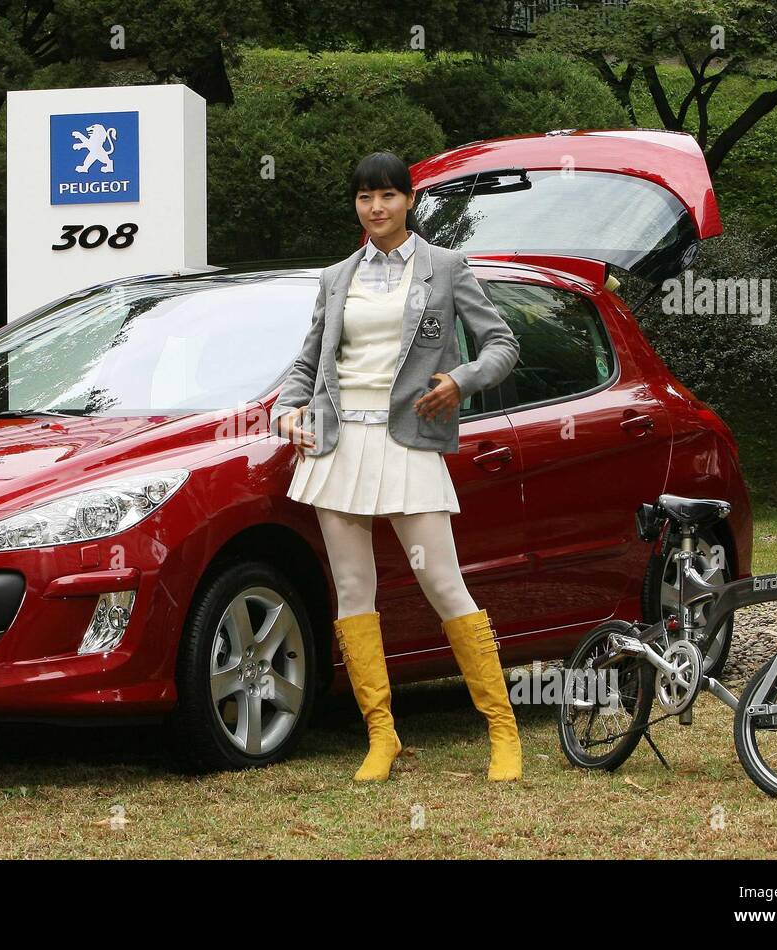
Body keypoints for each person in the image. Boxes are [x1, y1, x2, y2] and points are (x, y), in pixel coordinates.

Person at [268, 151, 523, 782]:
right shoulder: (335, 276)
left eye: (386, 195)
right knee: (354, 591)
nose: (375, 207)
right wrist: (285, 411)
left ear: (409, 200)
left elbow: (503, 344)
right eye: (363, 197)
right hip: (337, 447)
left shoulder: (445, 267)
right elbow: (306, 364)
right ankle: (381, 738)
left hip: (410, 442)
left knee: (443, 584)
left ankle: (504, 732)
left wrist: (462, 382)